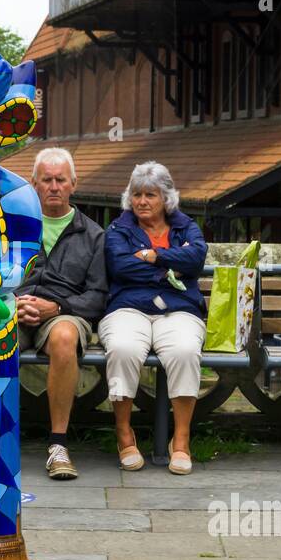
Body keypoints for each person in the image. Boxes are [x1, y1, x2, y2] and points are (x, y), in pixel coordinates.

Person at [99, 162, 207, 476]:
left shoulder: (186, 227)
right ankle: (124, 434)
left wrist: (154, 256)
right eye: (136, 194)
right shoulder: (119, 230)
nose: (142, 201)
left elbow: (197, 258)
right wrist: (172, 268)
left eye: (150, 194)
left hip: (179, 309)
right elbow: (120, 267)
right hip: (128, 308)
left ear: (166, 198)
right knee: (121, 348)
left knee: (185, 350)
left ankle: (182, 440)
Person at [15, 147, 108, 481]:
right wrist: (12, 303)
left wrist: (58, 308)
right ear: (34, 184)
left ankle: (58, 445)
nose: (53, 186)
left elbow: (98, 296)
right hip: (14, 307)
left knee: (65, 337)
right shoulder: (14, 226)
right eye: (46, 180)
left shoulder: (94, 235)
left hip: (63, 312)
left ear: (73, 184)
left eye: (60, 180)